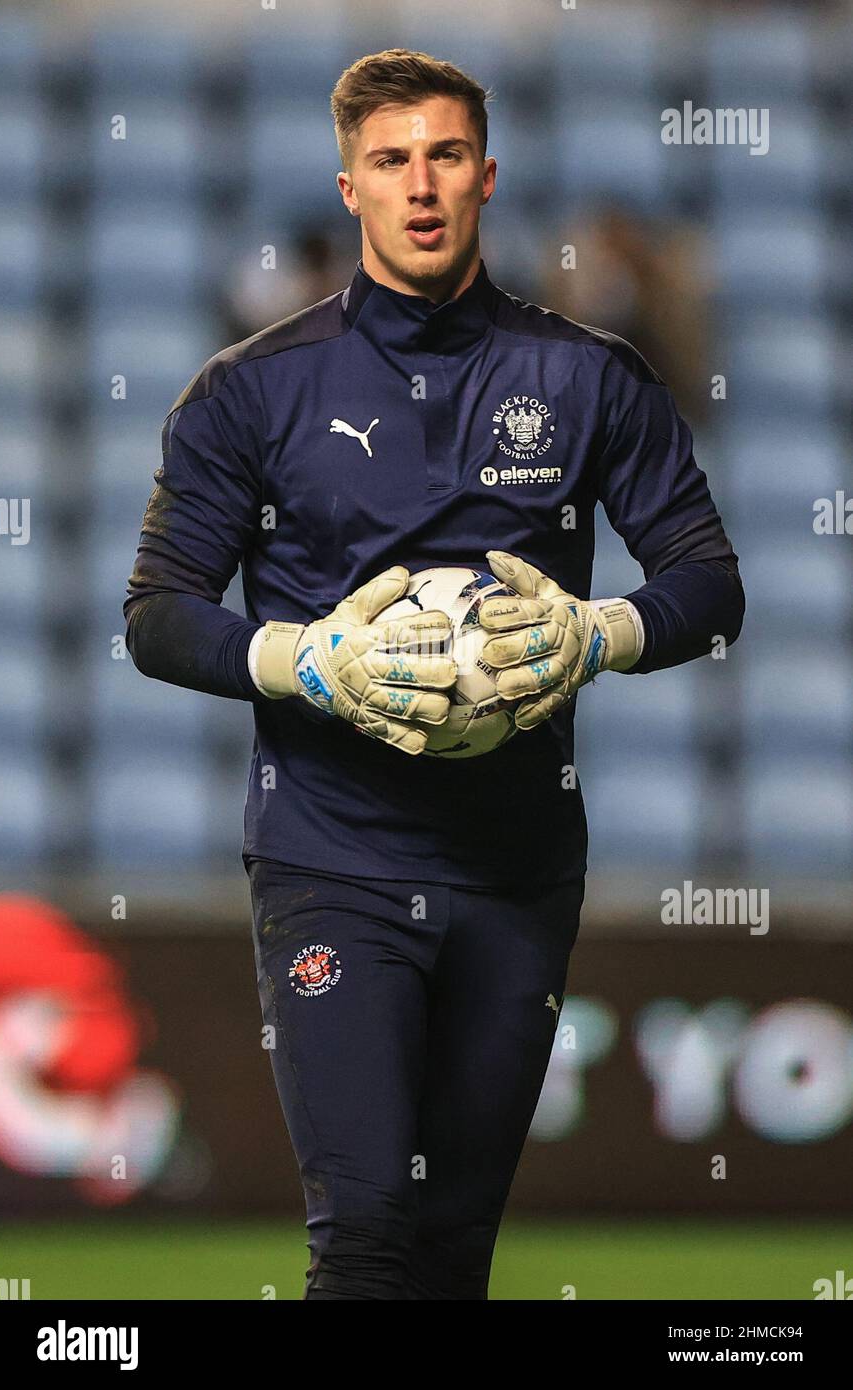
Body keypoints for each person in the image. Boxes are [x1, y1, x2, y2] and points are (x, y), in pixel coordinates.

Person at [124, 48, 745, 1300]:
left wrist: (596, 632)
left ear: (486, 177)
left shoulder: (584, 377)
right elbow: (155, 615)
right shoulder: (249, 393)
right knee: (361, 1236)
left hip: (516, 870)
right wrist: (298, 658)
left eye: (445, 157)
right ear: (348, 186)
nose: (421, 185)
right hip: (331, 860)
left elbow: (706, 581)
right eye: (391, 161)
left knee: (452, 1253)